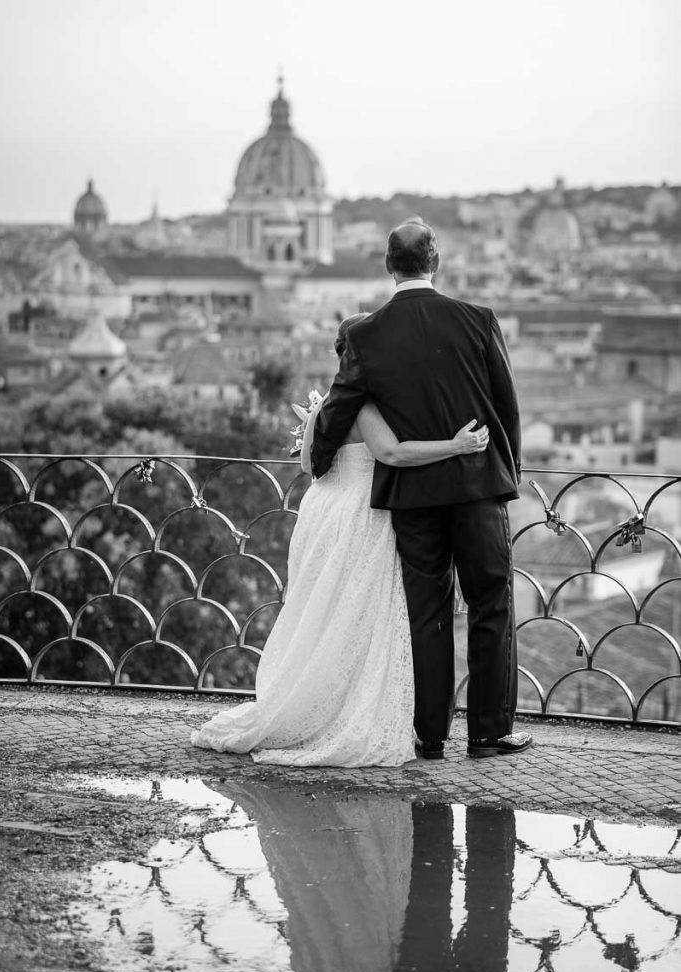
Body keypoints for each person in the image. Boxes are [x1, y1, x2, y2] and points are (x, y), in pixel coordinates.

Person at [190, 314, 489, 767]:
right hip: (362, 514)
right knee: (360, 615)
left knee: (327, 611)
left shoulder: (327, 402)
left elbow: (310, 465)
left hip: (323, 510)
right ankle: (350, 711)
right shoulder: (366, 405)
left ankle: (320, 698)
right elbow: (390, 453)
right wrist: (456, 446)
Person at [312, 218, 532, 760]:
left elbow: (341, 406)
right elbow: (506, 407)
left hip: (412, 495)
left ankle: (429, 734)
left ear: (389, 266)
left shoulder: (365, 334)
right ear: (437, 262)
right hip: (479, 486)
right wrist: (512, 471)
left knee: (428, 614)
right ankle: (487, 733)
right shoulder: (477, 320)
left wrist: (319, 462)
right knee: (491, 605)